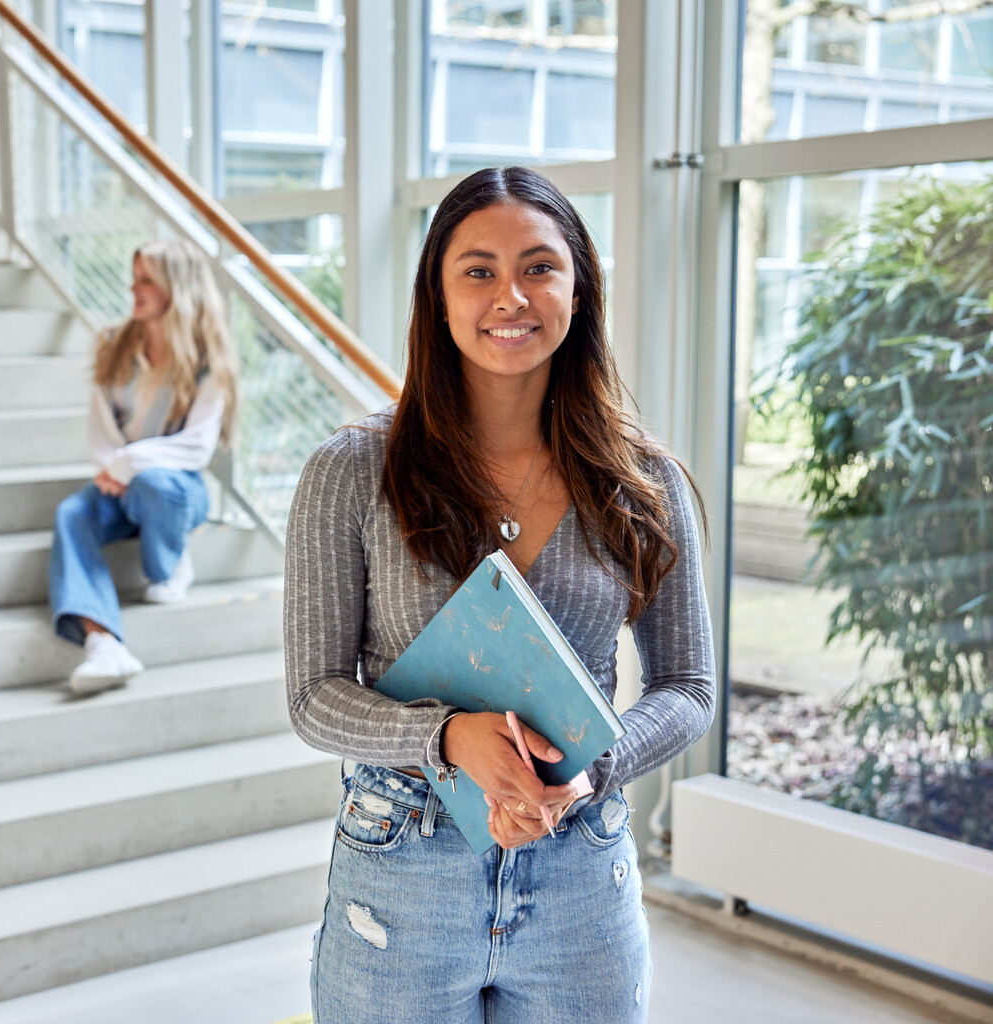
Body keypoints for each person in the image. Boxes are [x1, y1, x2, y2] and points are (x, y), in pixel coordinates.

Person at [284, 166, 716, 1023]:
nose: (509, 296)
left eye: (539, 267)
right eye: (477, 270)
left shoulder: (644, 481)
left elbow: (689, 689)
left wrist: (594, 765)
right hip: (401, 873)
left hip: (580, 871)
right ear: (437, 298)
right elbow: (311, 698)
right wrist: (444, 737)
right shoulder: (351, 471)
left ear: (578, 287)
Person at [49, 238, 238, 696]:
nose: (134, 289)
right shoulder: (112, 343)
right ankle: (102, 642)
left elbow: (195, 447)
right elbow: (102, 429)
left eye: (146, 280)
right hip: (119, 483)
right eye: (134, 278)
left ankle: (170, 560)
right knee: (72, 513)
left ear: (177, 286)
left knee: (156, 484)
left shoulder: (209, 356)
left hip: (177, 487)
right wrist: (114, 466)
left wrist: (129, 463)